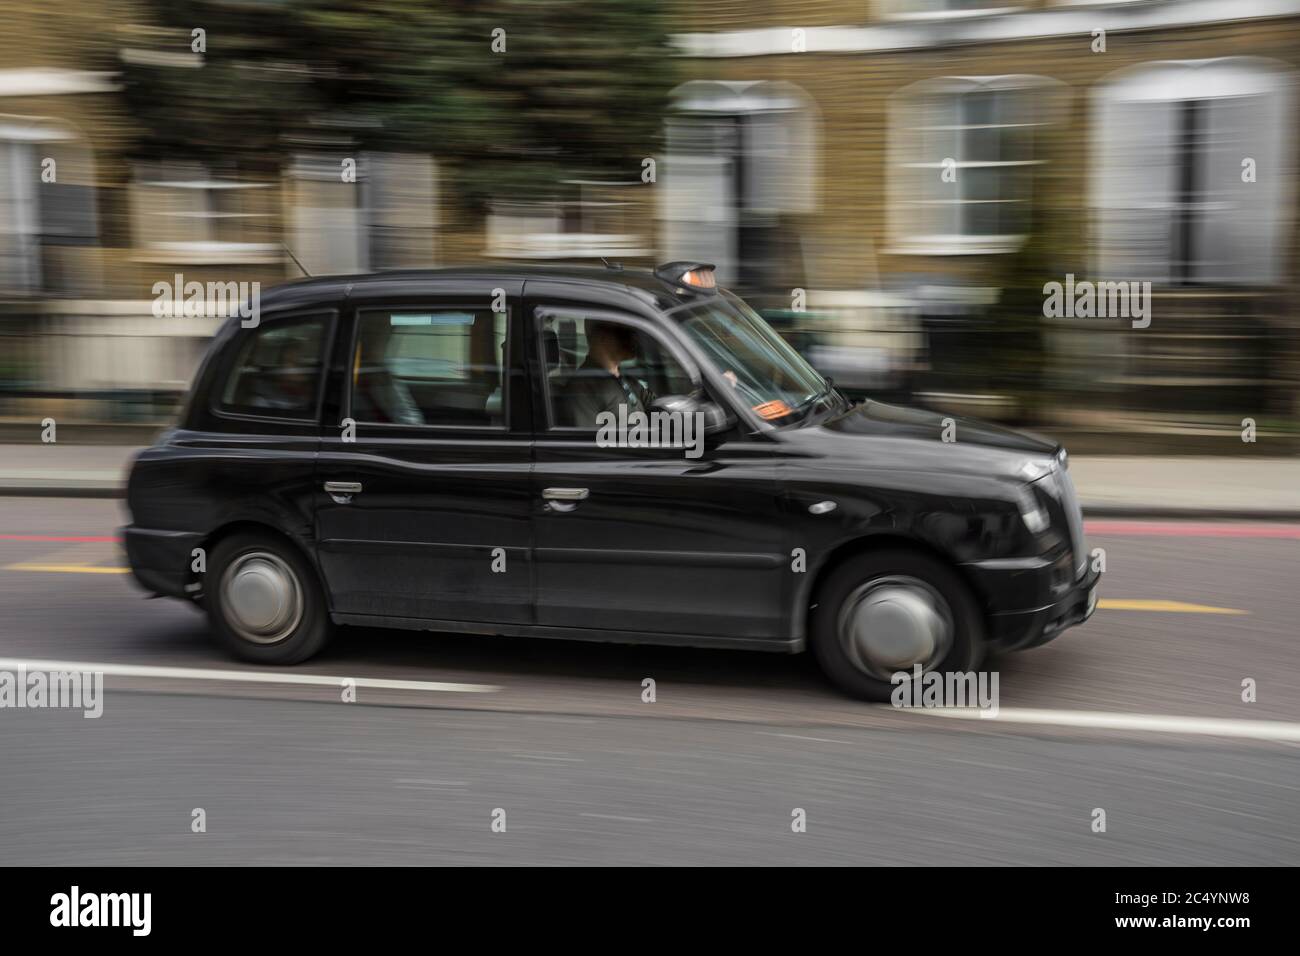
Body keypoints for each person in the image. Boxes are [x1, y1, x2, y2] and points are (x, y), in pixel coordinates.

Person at [557, 321, 656, 427]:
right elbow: (587, 441)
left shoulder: (626, 378)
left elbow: (655, 403)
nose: (633, 339)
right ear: (602, 337)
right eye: (624, 332)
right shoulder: (582, 389)